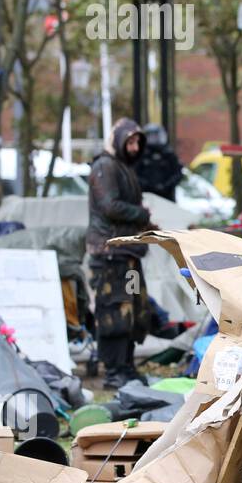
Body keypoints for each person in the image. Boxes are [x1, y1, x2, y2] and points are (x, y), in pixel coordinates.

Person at [87, 117, 154, 389]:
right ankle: (114, 372)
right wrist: (142, 214)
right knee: (115, 312)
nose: (136, 147)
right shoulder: (104, 166)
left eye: (138, 142)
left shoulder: (122, 167)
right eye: (131, 141)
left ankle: (126, 367)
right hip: (110, 253)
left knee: (134, 313)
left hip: (129, 253)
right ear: (119, 140)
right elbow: (110, 206)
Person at [134, 123, 184, 202]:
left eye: (156, 136)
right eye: (150, 137)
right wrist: (149, 186)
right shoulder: (141, 155)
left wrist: (166, 185)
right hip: (147, 197)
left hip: (167, 197)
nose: (153, 139)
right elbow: (134, 175)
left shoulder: (168, 154)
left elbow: (178, 173)